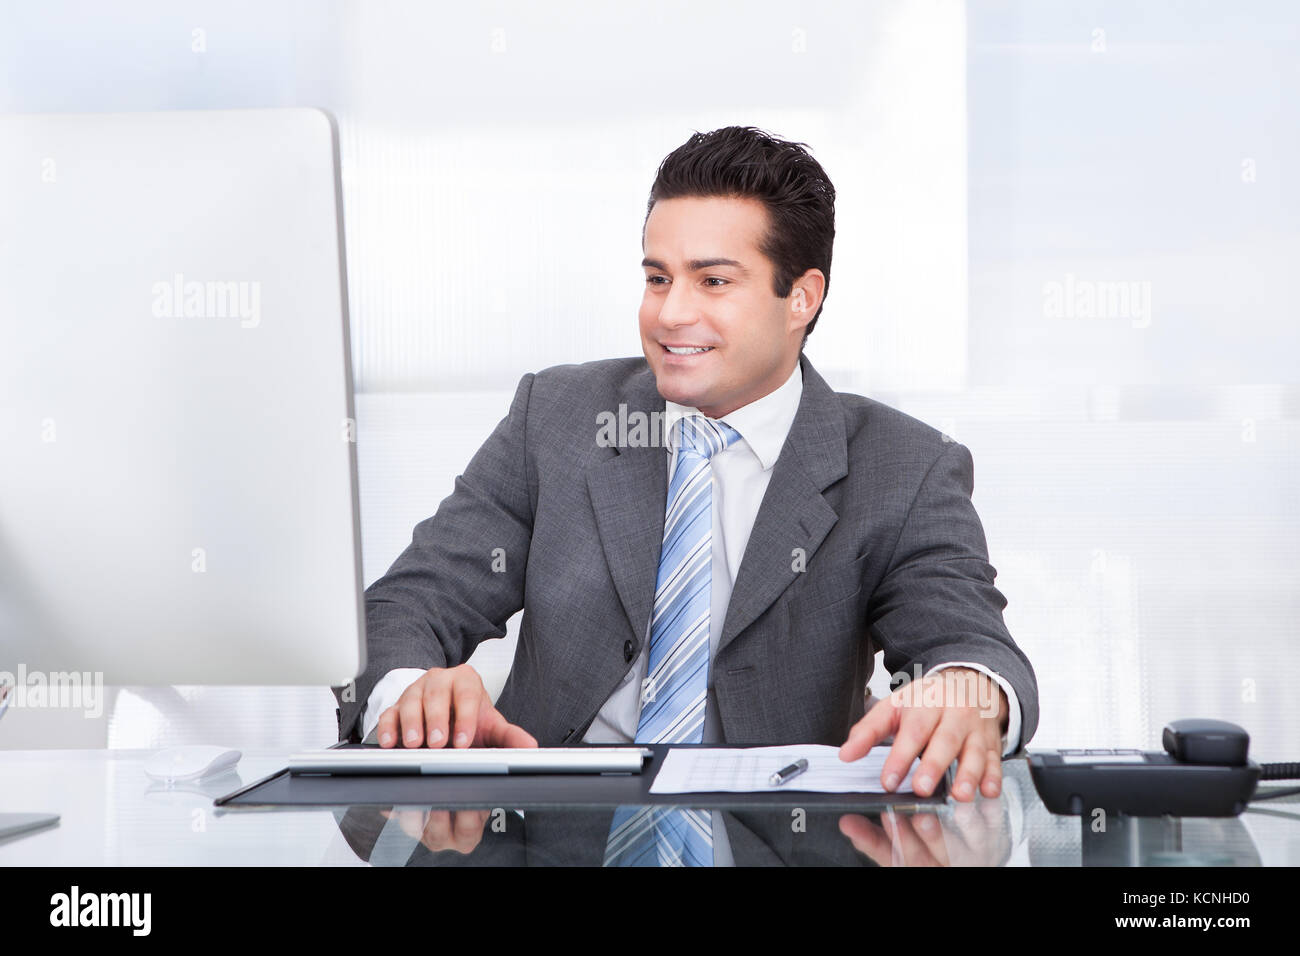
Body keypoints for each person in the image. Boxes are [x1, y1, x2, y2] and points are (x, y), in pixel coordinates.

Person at [332, 126, 1039, 822]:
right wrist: (409, 694)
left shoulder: (903, 466)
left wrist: (965, 691)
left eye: (713, 281)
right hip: (541, 836)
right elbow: (404, 607)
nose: (670, 313)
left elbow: (969, 642)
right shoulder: (555, 417)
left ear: (803, 297)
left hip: (776, 843)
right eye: (657, 278)